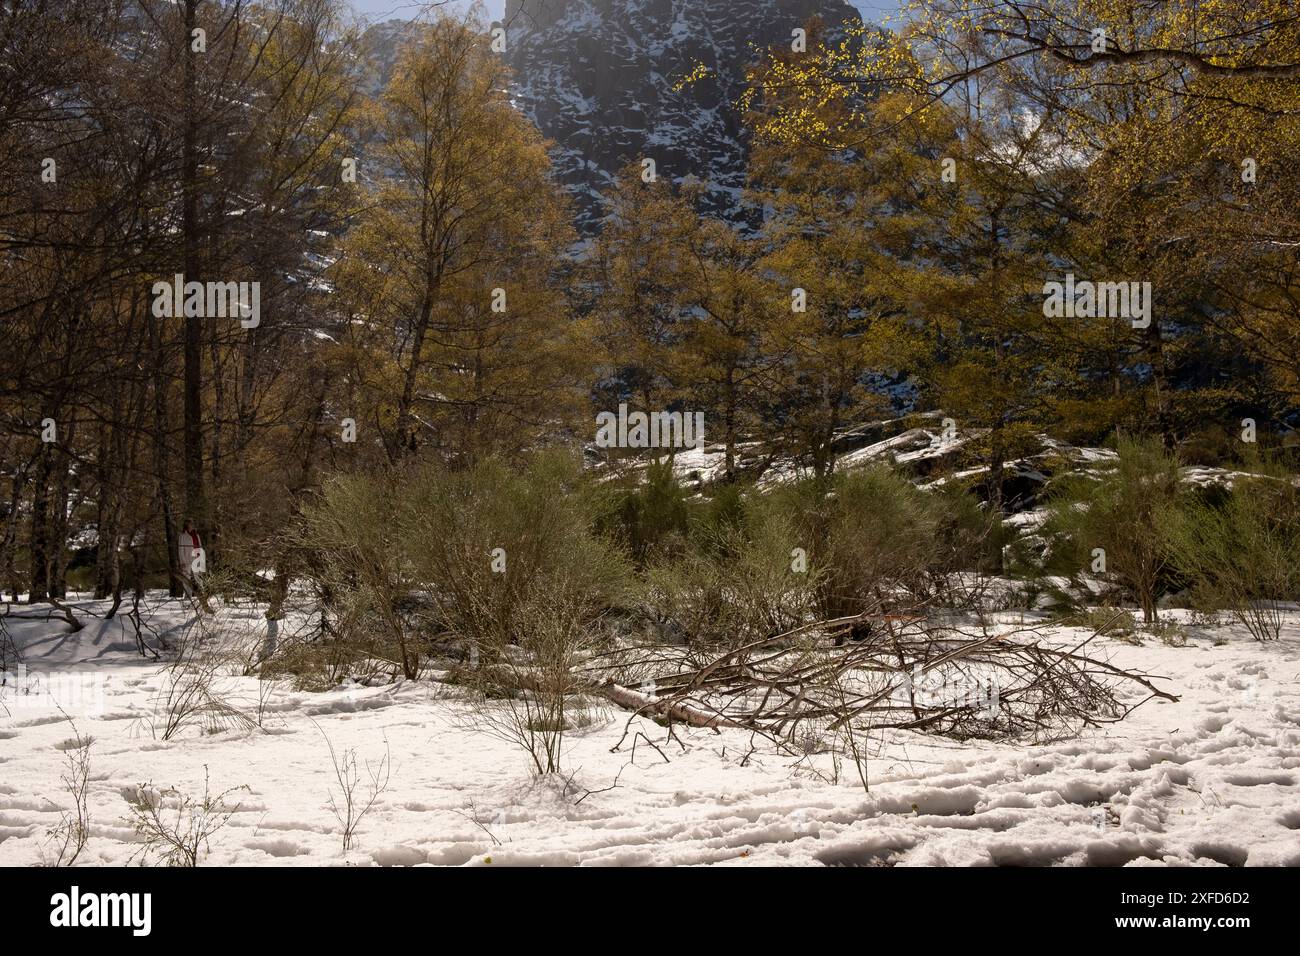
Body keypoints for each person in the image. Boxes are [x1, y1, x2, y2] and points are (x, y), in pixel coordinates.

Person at [177, 519, 212, 611]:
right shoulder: (182, 536)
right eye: (191, 524)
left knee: (199, 578)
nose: (192, 525)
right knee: (187, 578)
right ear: (187, 525)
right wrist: (182, 562)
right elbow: (180, 550)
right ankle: (187, 598)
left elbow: (200, 547)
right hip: (187, 559)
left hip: (197, 558)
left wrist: (202, 559)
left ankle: (202, 597)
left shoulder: (197, 535)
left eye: (193, 523)